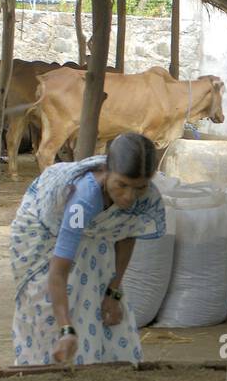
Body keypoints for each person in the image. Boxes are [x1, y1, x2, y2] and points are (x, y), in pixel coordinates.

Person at [9, 132, 165, 365]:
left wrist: (113, 292)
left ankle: (98, 362)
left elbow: (125, 233)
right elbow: (58, 272)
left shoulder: (146, 196)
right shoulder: (82, 202)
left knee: (96, 285)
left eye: (139, 188)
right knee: (49, 306)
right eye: (121, 185)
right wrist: (66, 329)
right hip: (43, 229)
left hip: (91, 231)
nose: (129, 196)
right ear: (107, 171)